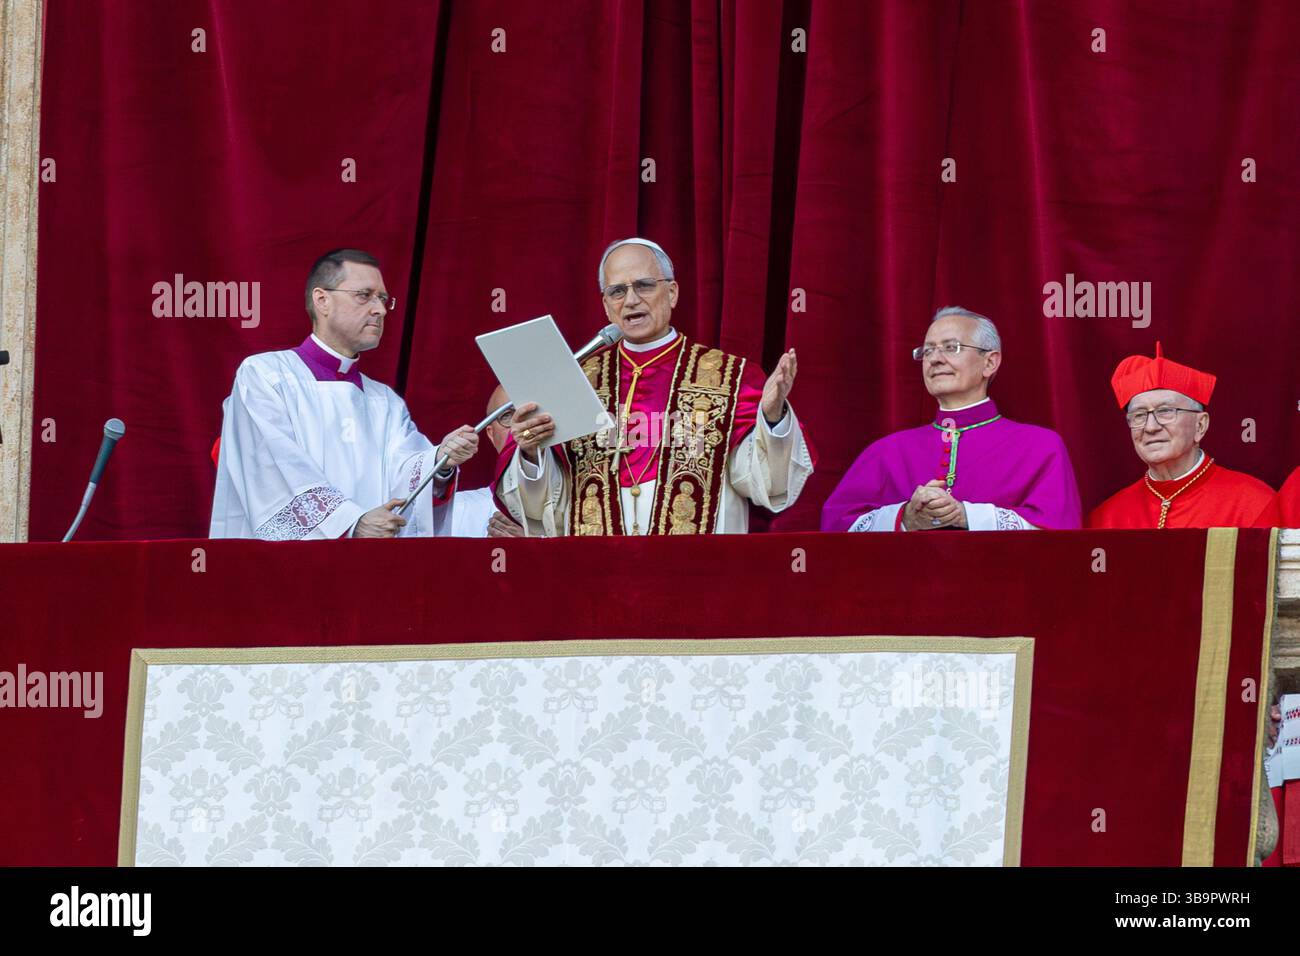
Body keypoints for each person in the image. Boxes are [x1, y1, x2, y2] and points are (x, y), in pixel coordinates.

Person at [495, 237, 814, 535]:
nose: (631, 300)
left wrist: (773, 418)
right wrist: (531, 450)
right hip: (596, 574)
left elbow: (764, 482)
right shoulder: (574, 381)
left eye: (644, 286)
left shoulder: (730, 377)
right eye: (617, 291)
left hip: (697, 576)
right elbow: (543, 507)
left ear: (672, 292)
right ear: (606, 306)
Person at [211, 248, 477, 539]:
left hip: (369, 565)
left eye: (383, 299)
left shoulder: (384, 401)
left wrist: (440, 461)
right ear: (322, 300)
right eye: (364, 295)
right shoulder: (266, 374)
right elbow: (273, 469)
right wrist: (351, 522)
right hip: (290, 568)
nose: (380, 309)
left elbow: (405, 470)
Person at [822, 307, 1081, 532]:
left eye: (951, 347)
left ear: (989, 363)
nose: (934, 359)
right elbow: (835, 525)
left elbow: (1060, 536)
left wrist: (967, 516)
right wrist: (905, 517)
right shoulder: (885, 451)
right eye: (928, 350)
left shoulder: (1041, 447)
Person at [1088, 343, 1273, 529]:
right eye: (1139, 415)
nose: (1151, 427)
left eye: (1166, 411)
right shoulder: (1107, 518)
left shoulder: (1255, 503)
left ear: (1200, 425)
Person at [451, 386, 525, 537]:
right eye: (508, 416)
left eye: (532, 415)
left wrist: (535, 548)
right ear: (491, 434)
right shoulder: (457, 511)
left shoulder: (580, 509)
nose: (523, 426)